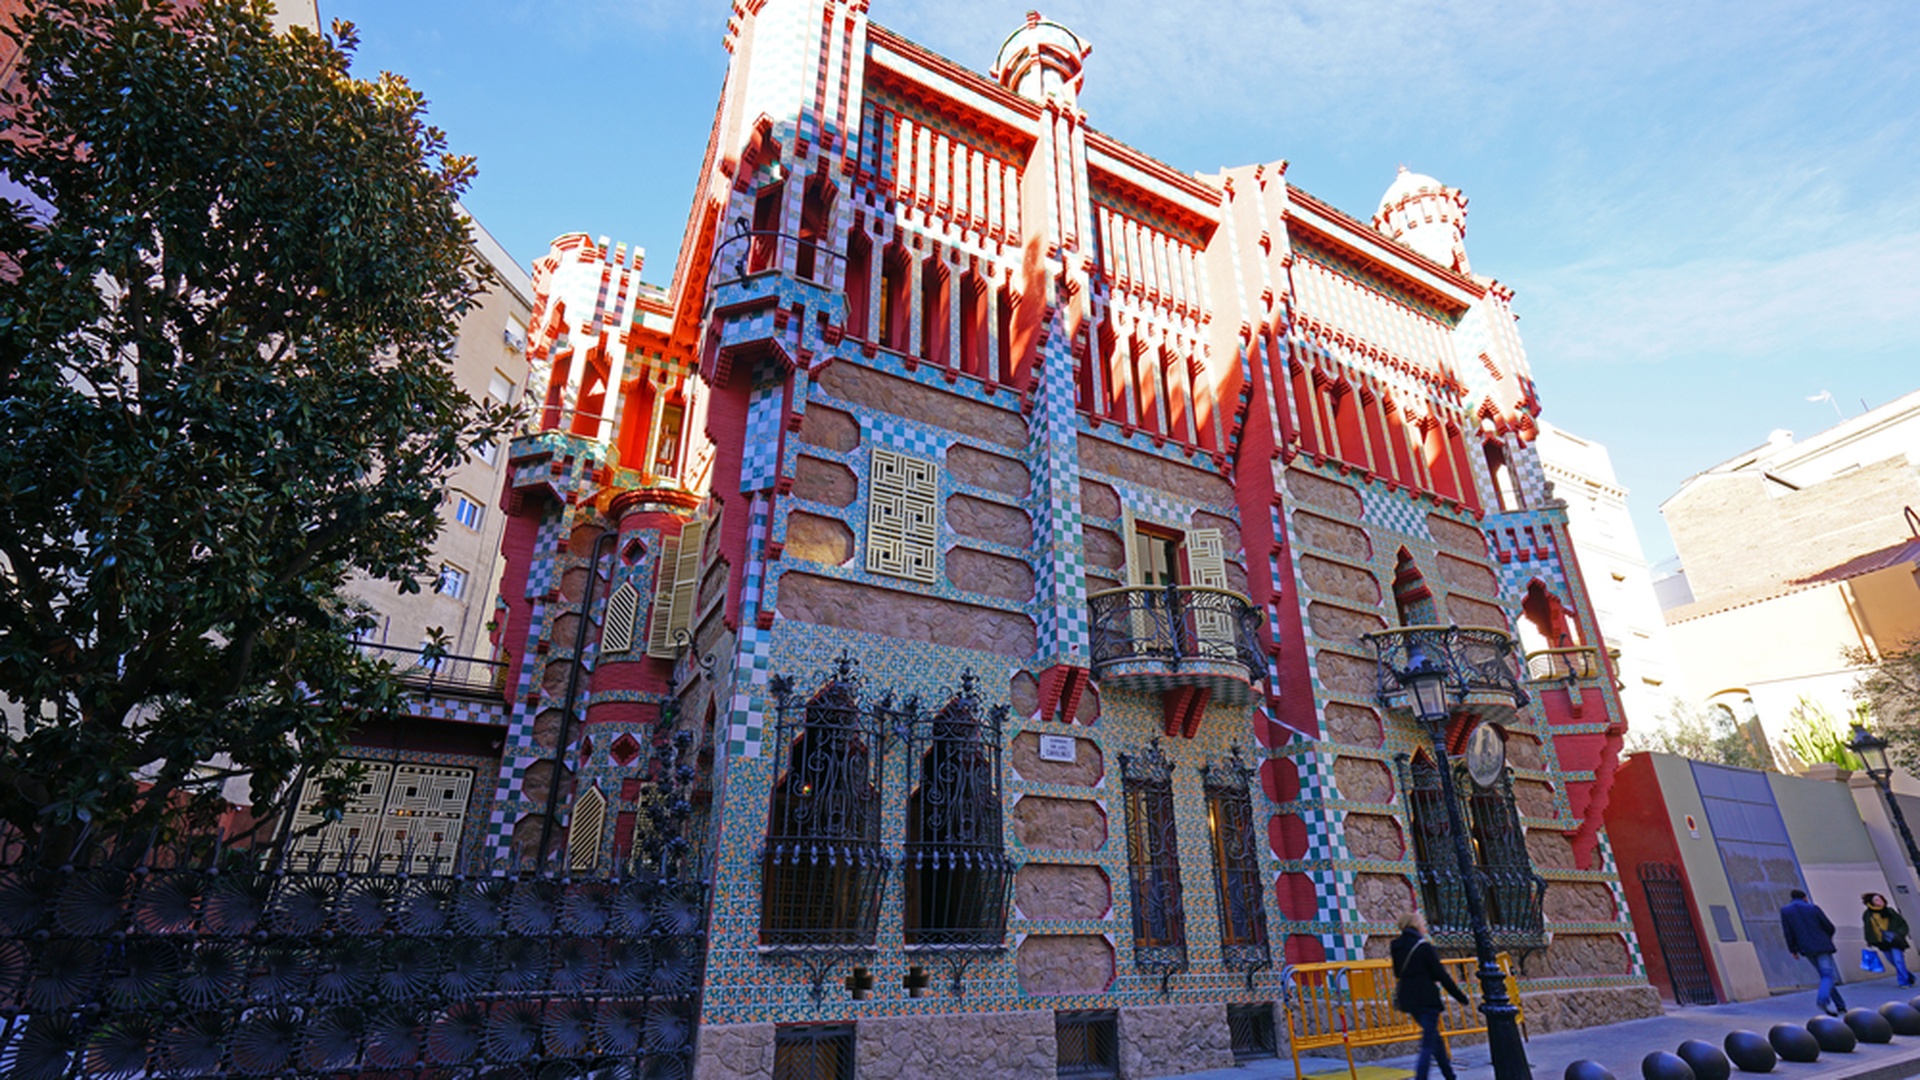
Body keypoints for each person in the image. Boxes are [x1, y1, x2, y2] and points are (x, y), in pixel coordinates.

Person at [1391, 911, 1470, 1080]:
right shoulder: (1423, 947)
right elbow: (1441, 975)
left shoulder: (1396, 946)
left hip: (1408, 999)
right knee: (1428, 1043)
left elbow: (1398, 972)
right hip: (1426, 998)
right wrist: (1460, 996)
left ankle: (1449, 1075)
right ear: (1416, 925)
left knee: (1434, 1039)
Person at [1781, 889, 1847, 1015]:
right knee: (1828, 976)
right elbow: (1829, 926)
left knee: (1825, 977)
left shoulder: (1786, 911)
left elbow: (1788, 932)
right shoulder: (1813, 908)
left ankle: (1840, 1005)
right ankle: (1823, 1000)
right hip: (1822, 945)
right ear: (1805, 897)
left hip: (1806, 948)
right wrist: (1827, 938)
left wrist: (1793, 949)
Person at [1863, 892, 1915, 988]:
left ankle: (1903, 982)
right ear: (1871, 902)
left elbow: (1902, 924)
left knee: (1898, 960)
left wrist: (1899, 934)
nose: (1880, 902)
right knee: (1893, 962)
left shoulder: (1889, 911)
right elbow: (1867, 928)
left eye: (1881, 899)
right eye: (1877, 900)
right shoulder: (1868, 914)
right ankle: (1909, 976)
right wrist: (1869, 940)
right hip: (1882, 942)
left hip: (1895, 941)